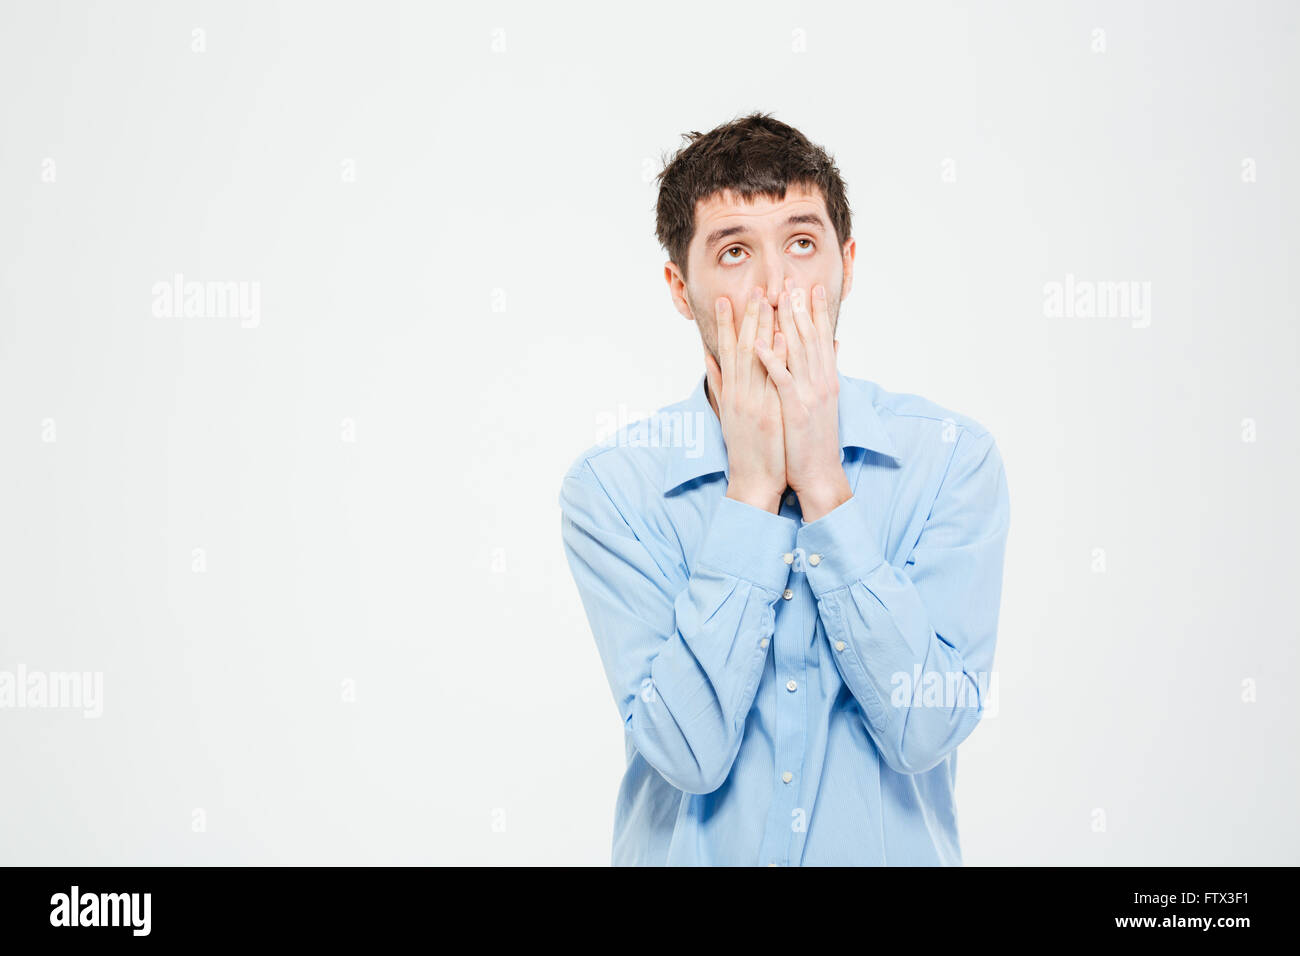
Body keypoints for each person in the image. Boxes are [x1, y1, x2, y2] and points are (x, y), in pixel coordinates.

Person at [557, 111, 1011, 866]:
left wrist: (826, 487)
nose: (775, 286)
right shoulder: (612, 491)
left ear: (848, 263)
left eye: (802, 243)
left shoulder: (951, 462)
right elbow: (685, 753)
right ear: (680, 286)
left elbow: (925, 732)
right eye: (734, 252)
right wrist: (753, 492)